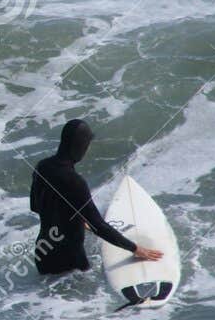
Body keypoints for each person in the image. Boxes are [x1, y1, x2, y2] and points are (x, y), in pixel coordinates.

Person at [30, 118, 164, 276]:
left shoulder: (42, 167)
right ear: (80, 146)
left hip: (42, 258)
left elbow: (35, 206)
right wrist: (136, 249)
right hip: (71, 263)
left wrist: (74, 219)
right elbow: (99, 226)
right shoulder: (75, 182)